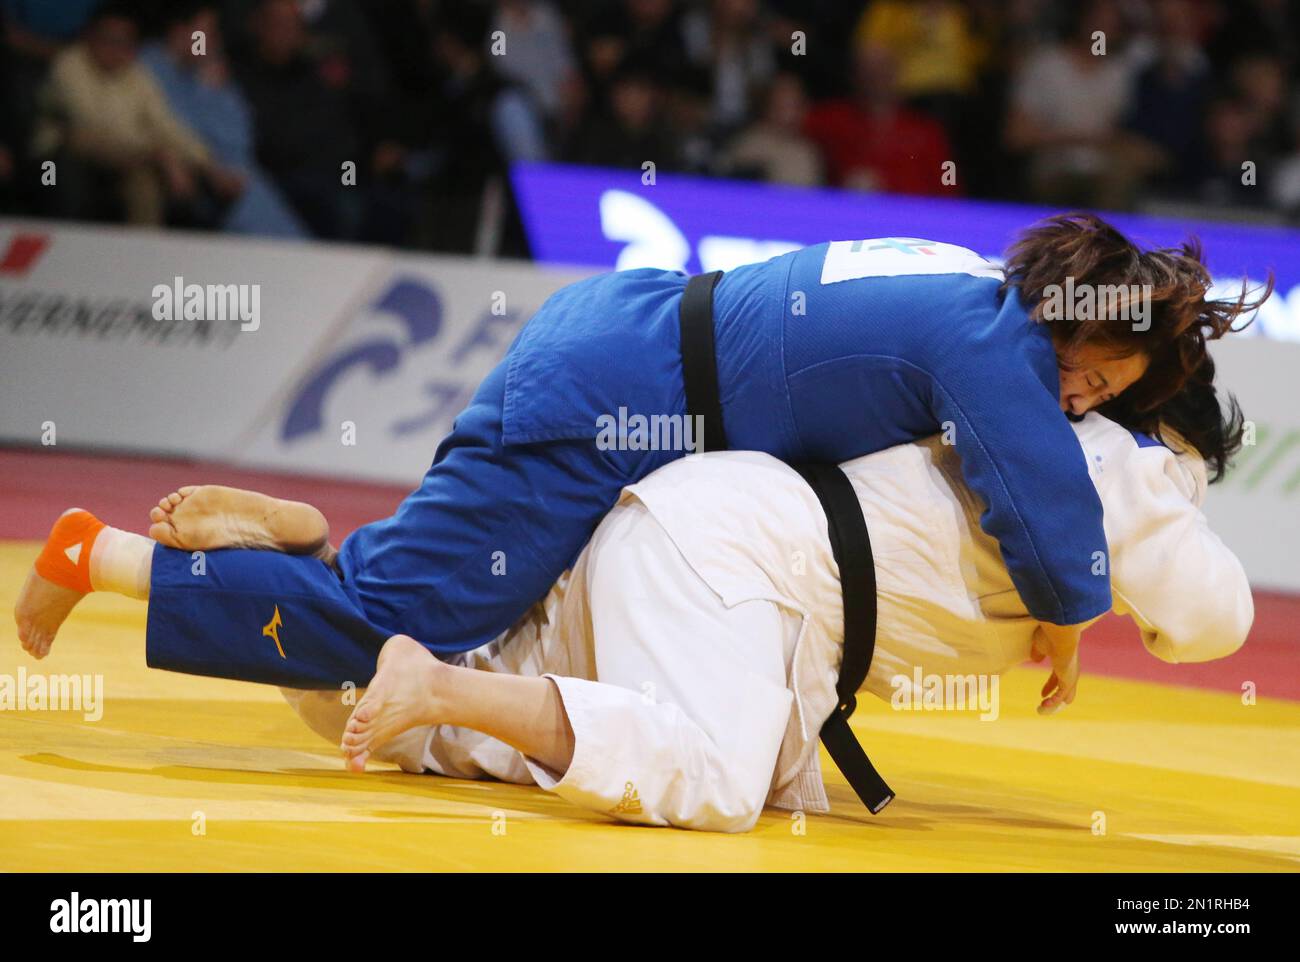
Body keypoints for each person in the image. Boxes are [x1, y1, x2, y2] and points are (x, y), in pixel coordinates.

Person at [13, 215, 1266, 711]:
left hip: (622, 346)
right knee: (400, 629)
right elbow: (1046, 519)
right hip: (619, 397)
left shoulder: (961, 278)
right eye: (1092, 375)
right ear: (1077, 311)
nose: (1079, 400)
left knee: (449, 601)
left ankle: (290, 536)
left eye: (1102, 396)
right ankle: (104, 553)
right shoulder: (996, 344)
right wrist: (1063, 628)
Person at [14, 373, 1252, 832]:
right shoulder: (1131, 467)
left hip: (693, 550)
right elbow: (1212, 623)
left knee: (412, 718)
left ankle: (197, 556)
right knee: (708, 777)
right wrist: (1094, 593)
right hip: (735, 563)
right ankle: (440, 678)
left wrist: (1068, 598)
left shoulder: (1010, 395)